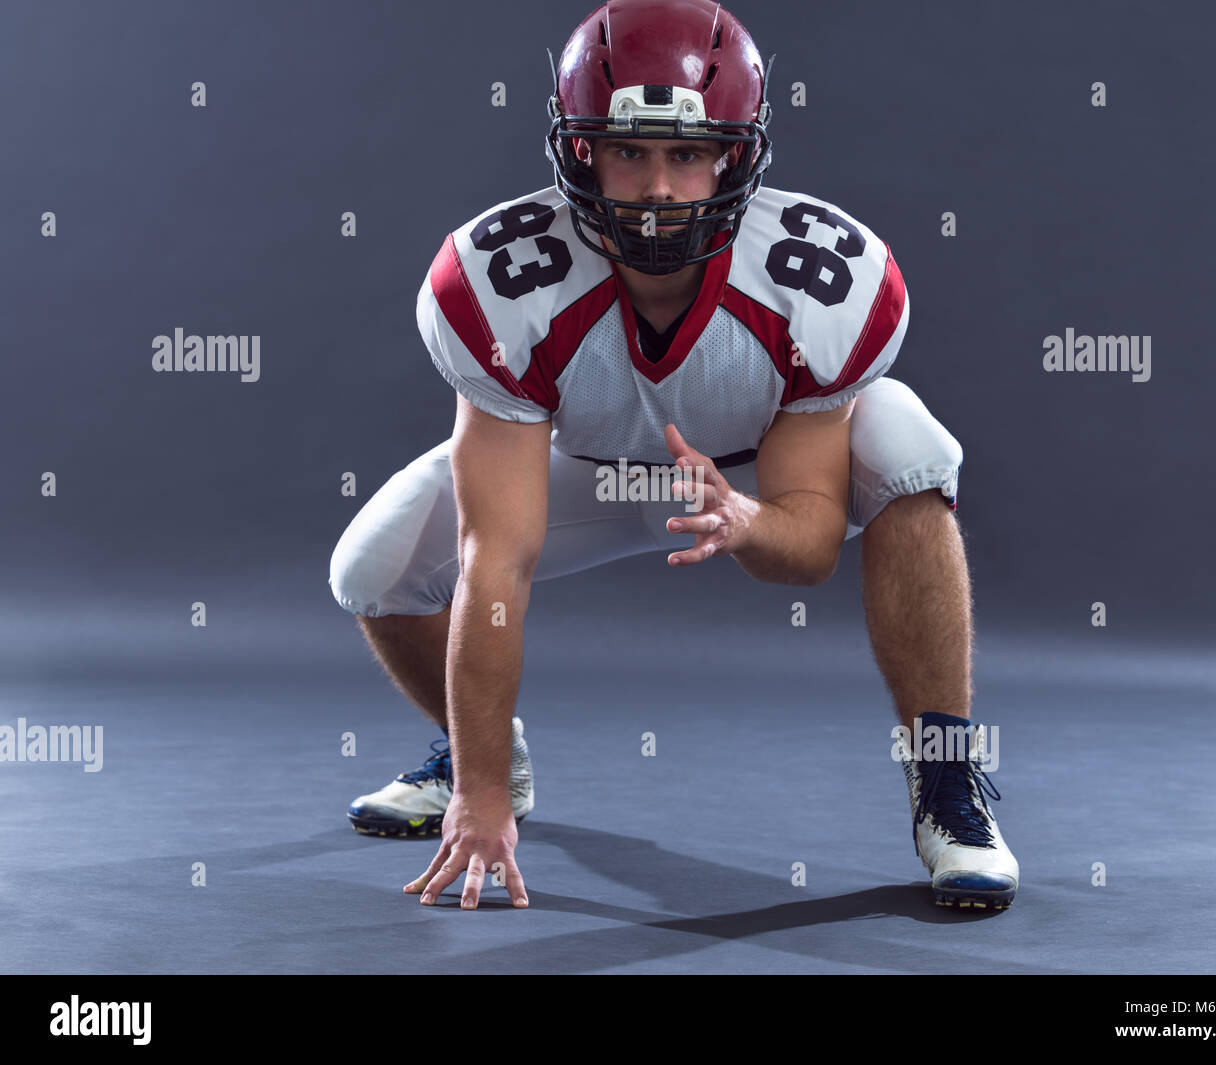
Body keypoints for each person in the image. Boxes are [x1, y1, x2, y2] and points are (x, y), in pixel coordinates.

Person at [329, 0, 1019, 912]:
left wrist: (747, 518)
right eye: (631, 151)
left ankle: (947, 784)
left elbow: (808, 552)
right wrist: (483, 796)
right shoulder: (497, 281)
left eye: (688, 154)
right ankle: (479, 749)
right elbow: (494, 558)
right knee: (370, 567)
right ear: (581, 150)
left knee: (908, 441)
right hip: (583, 466)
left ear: (735, 155)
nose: (658, 190)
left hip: (756, 475)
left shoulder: (820, 280)